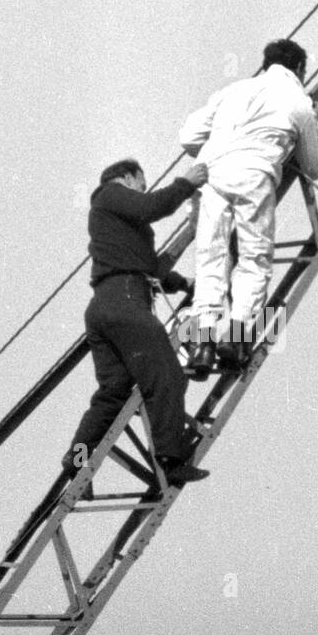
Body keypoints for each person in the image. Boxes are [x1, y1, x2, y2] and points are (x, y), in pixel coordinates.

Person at [178, 39, 318, 376]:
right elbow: (314, 166)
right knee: (254, 259)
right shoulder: (298, 102)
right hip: (255, 177)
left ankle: (200, 343)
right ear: (300, 69)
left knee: (210, 259)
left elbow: (188, 136)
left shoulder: (234, 90)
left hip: (211, 175)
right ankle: (237, 334)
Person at [62, 157, 210, 487]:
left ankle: (78, 457)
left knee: (112, 394)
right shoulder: (109, 194)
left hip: (109, 304)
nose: (143, 191)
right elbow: (151, 207)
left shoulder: (117, 228)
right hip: (125, 302)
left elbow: (149, 269)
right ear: (127, 178)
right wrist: (186, 183)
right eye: (141, 184)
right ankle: (171, 458)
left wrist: (184, 278)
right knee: (166, 374)